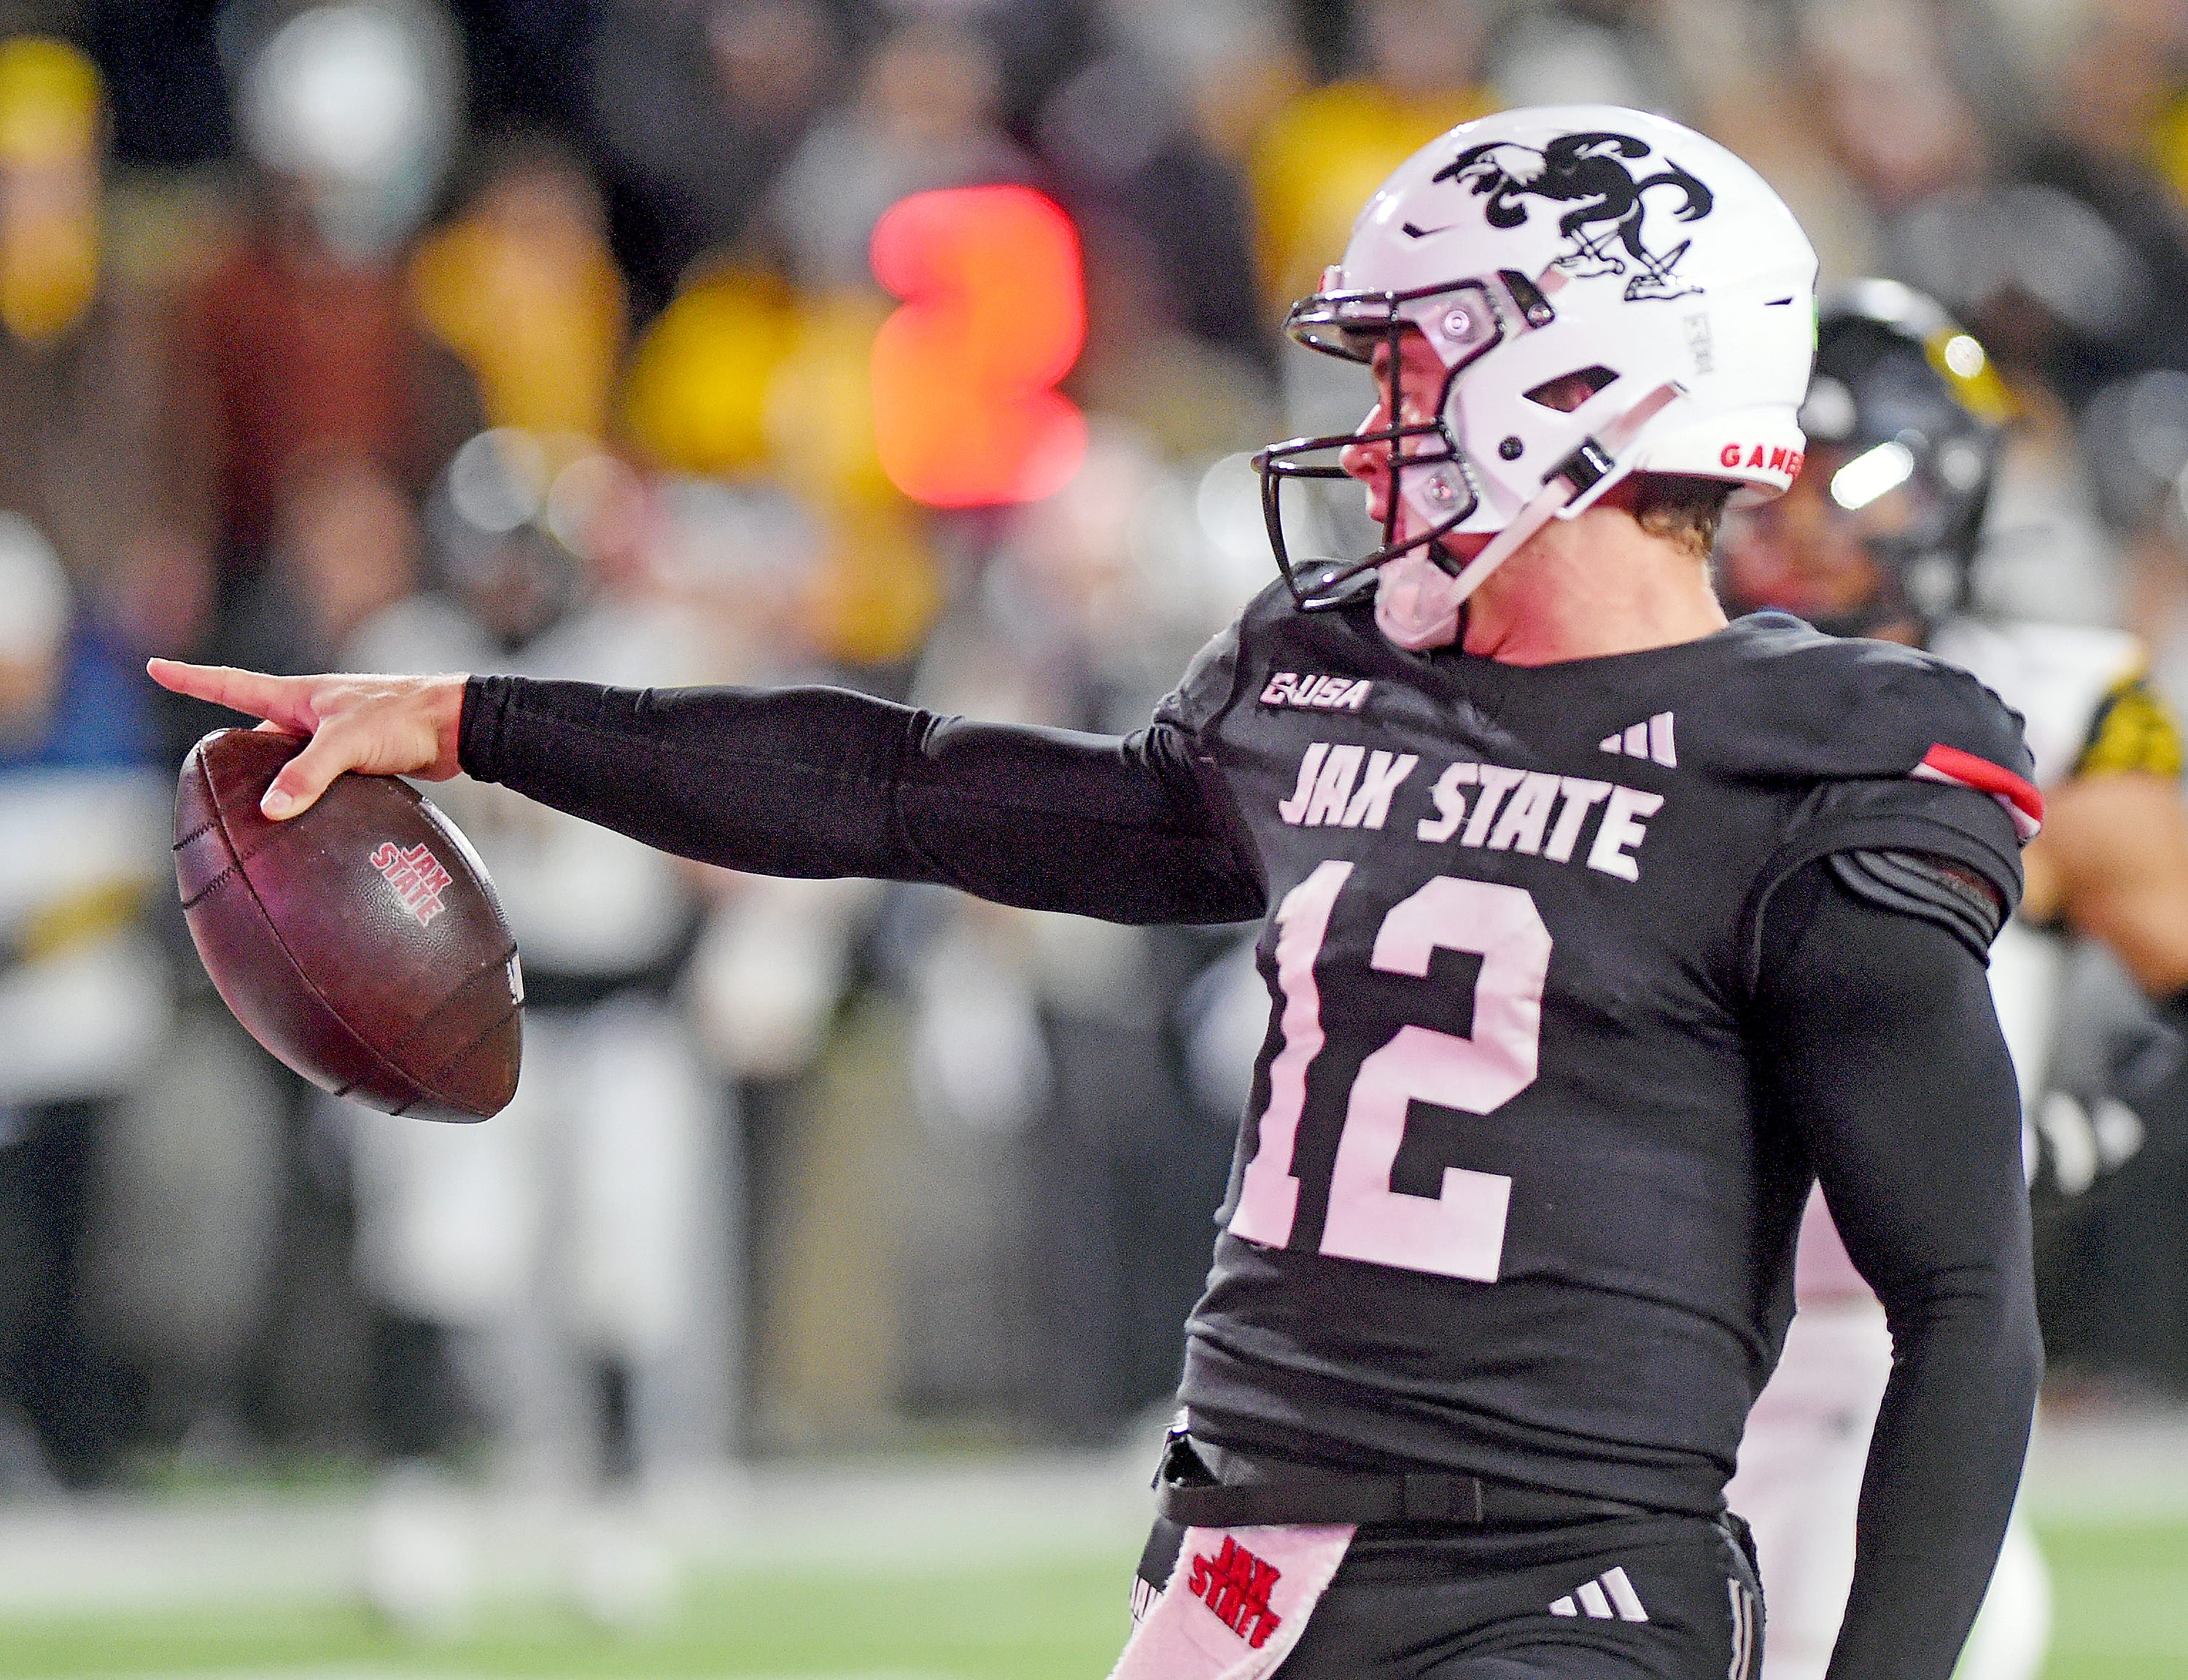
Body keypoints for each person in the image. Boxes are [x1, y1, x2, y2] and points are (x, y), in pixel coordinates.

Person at [150, 107, 2041, 1680]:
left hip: (1558, 1592)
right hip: (1234, 1567)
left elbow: (1963, 1299)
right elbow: (904, 791)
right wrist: (486, 721)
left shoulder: (1808, 766)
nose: (1374, 421)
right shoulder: (1336, 682)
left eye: (1409, 363)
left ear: (1577, 377)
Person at [1717, 279, 2188, 1680]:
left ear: (1956, 489)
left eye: (1852, 475)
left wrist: (2100, 1127)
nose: (1804, 520)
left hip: (1880, 1356)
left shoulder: (2040, 710)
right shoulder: (1645, 687)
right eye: (1774, 474)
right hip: (1624, 1319)